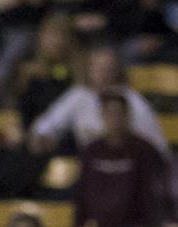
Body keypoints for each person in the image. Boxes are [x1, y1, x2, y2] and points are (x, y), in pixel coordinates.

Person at [29, 48, 165, 155]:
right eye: (98, 68)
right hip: (88, 163)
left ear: (116, 71)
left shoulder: (131, 100)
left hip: (126, 165)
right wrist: (43, 138)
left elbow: (157, 145)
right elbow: (46, 125)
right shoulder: (79, 95)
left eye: (107, 69)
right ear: (89, 70)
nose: (103, 74)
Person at [73, 92, 170, 227]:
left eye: (118, 112)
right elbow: (82, 190)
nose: (114, 118)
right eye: (109, 113)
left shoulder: (143, 150)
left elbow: (153, 194)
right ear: (102, 116)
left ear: (127, 115)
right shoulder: (91, 151)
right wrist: (79, 224)